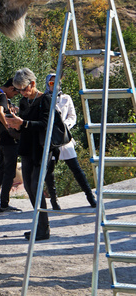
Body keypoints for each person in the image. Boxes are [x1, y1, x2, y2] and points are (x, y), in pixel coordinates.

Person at [5, 68, 52, 240]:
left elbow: (45, 125)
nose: (22, 93)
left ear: (32, 84)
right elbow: (24, 126)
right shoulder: (25, 102)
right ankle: (40, 227)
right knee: (30, 189)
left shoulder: (45, 99)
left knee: (35, 187)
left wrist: (23, 123)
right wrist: (14, 123)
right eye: (19, 90)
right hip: (26, 148)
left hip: (41, 149)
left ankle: (43, 229)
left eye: (24, 89)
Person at [43, 72, 96, 208]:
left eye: (57, 83)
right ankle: (54, 200)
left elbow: (73, 116)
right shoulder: (43, 99)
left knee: (76, 168)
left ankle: (90, 196)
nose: (54, 85)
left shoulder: (66, 98)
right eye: (51, 83)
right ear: (47, 84)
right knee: (49, 171)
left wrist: (64, 125)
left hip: (64, 137)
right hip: (50, 138)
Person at [0, 78, 21, 213]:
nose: (14, 96)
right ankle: (4, 204)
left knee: (0, 172)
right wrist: (9, 128)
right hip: (8, 140)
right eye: (15, 93)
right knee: (9, 172)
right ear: (12, 88)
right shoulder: (2, 95)